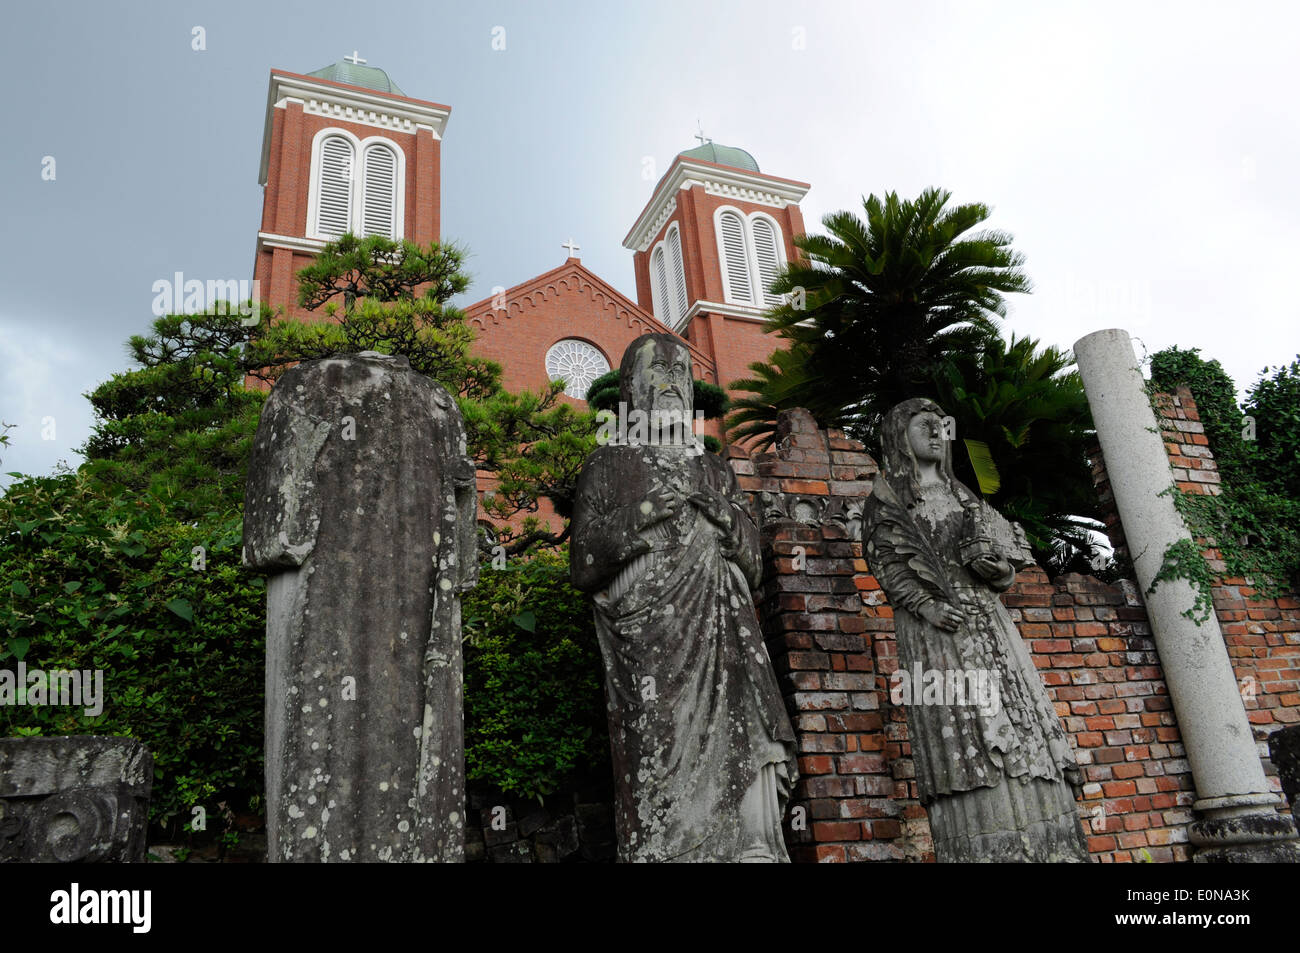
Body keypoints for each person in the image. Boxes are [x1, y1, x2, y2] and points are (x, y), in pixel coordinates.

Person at [570, 334, 797, 862]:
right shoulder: (608, 464)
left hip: (726, 634)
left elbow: (755, 565)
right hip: (648, 642)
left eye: (681, 371)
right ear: (631, 387)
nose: (673, 382)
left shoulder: (714, 468)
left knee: (744, 741)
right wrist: (648, 511)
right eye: (659, 371)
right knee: (656, 746)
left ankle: (752, 846)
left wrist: (721, 516)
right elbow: (583, 564)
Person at [862, 398, 1089, 862]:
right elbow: (886, 565)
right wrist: (925, 604)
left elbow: (1003, 567)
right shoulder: (886, 503)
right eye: (923, 425)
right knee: (964, 730)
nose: (935, 432)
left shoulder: (966, 497)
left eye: (940, 425)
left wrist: (998, 569)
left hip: (990, 624)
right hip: (936, 633)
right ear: (898, 437)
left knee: (1023, 727)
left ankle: (1052, 845)